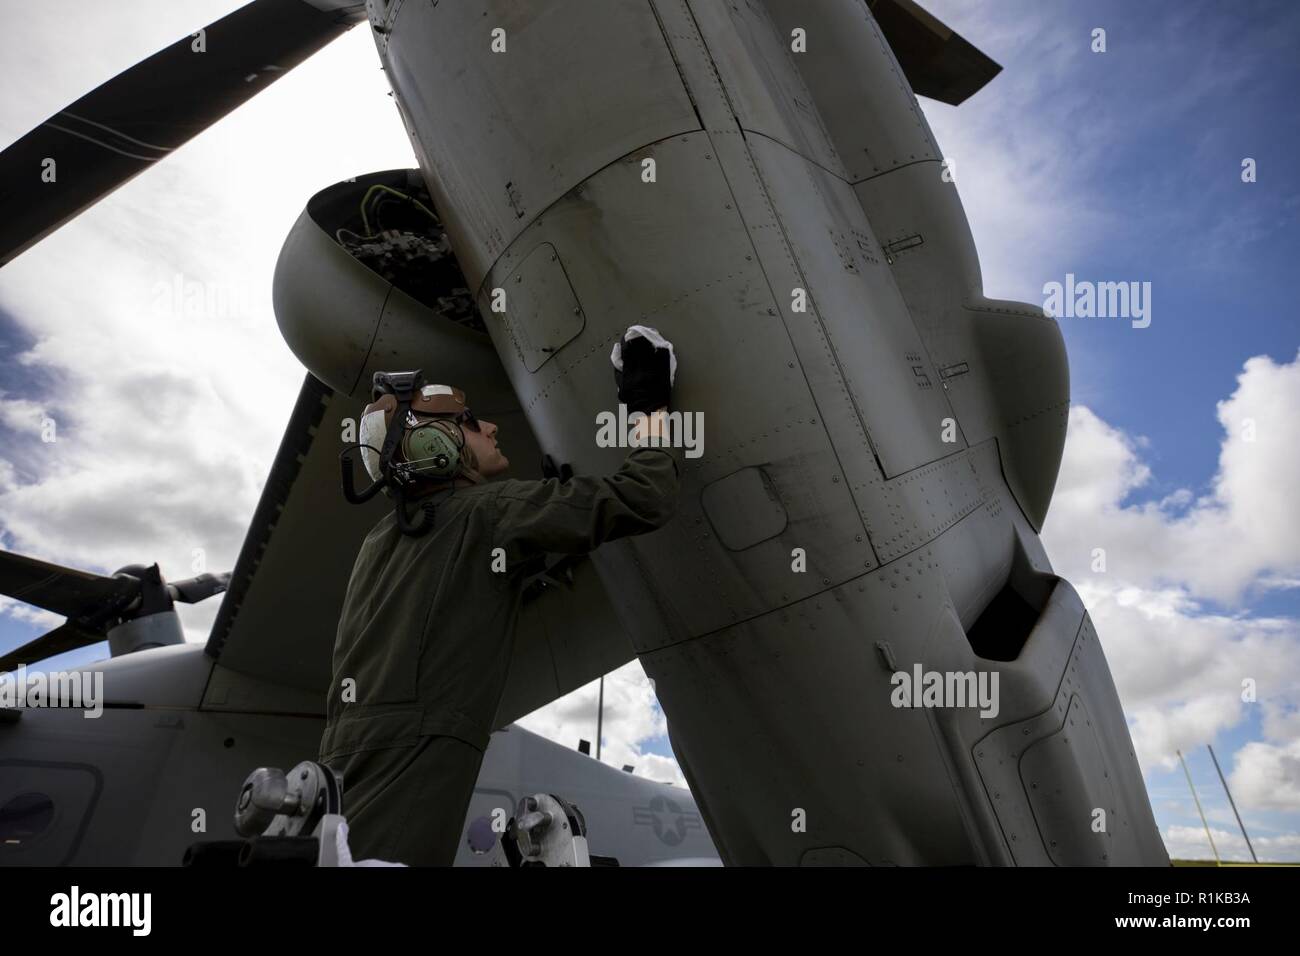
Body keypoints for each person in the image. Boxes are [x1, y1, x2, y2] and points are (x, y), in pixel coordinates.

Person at [318, 326, 681, 865]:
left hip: (343, 758)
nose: (489, 426)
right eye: (468, 422)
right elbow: (645, 498)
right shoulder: (487, 514)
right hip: (416, 759)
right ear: (432, 446)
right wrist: (649, 404)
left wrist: (545, 531)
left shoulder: (380, 542)